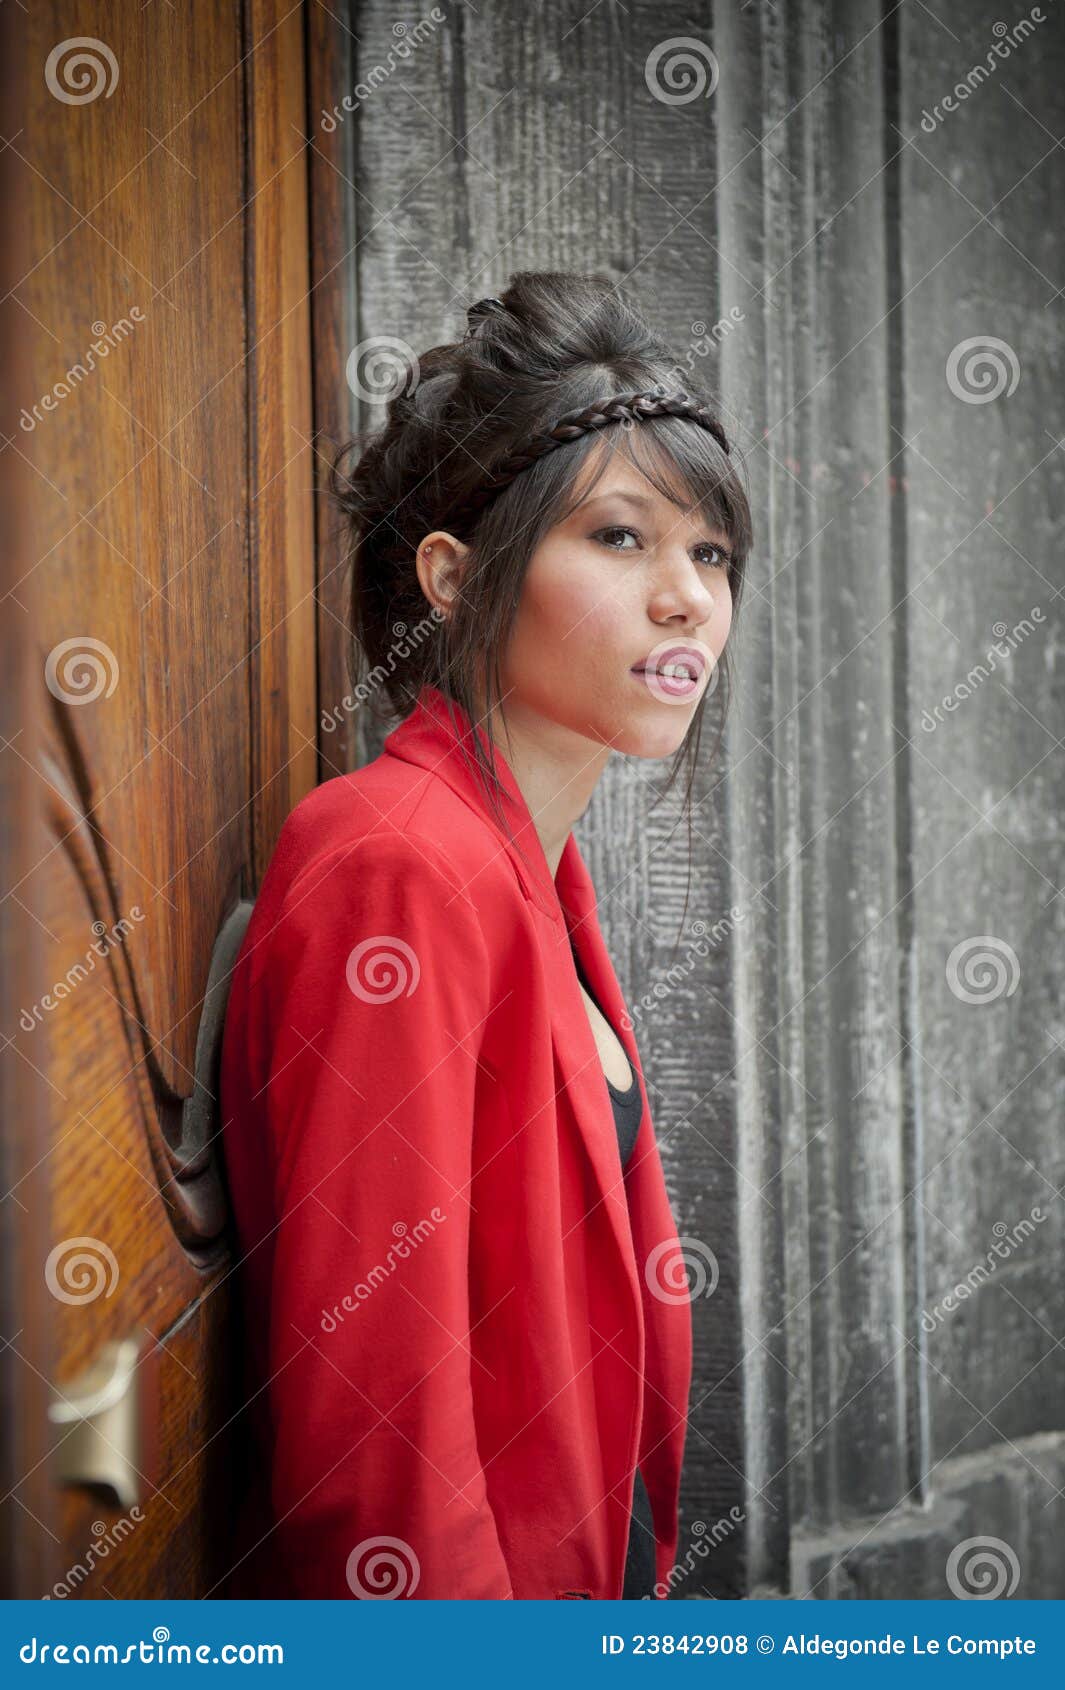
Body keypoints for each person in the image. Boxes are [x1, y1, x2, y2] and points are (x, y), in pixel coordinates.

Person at [218, 269, 753, 1600]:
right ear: (453, 576)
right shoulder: (393, 863)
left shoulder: (529, 877)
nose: (686, 597)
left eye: (710, 552)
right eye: (621, 537)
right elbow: (376, 1440)